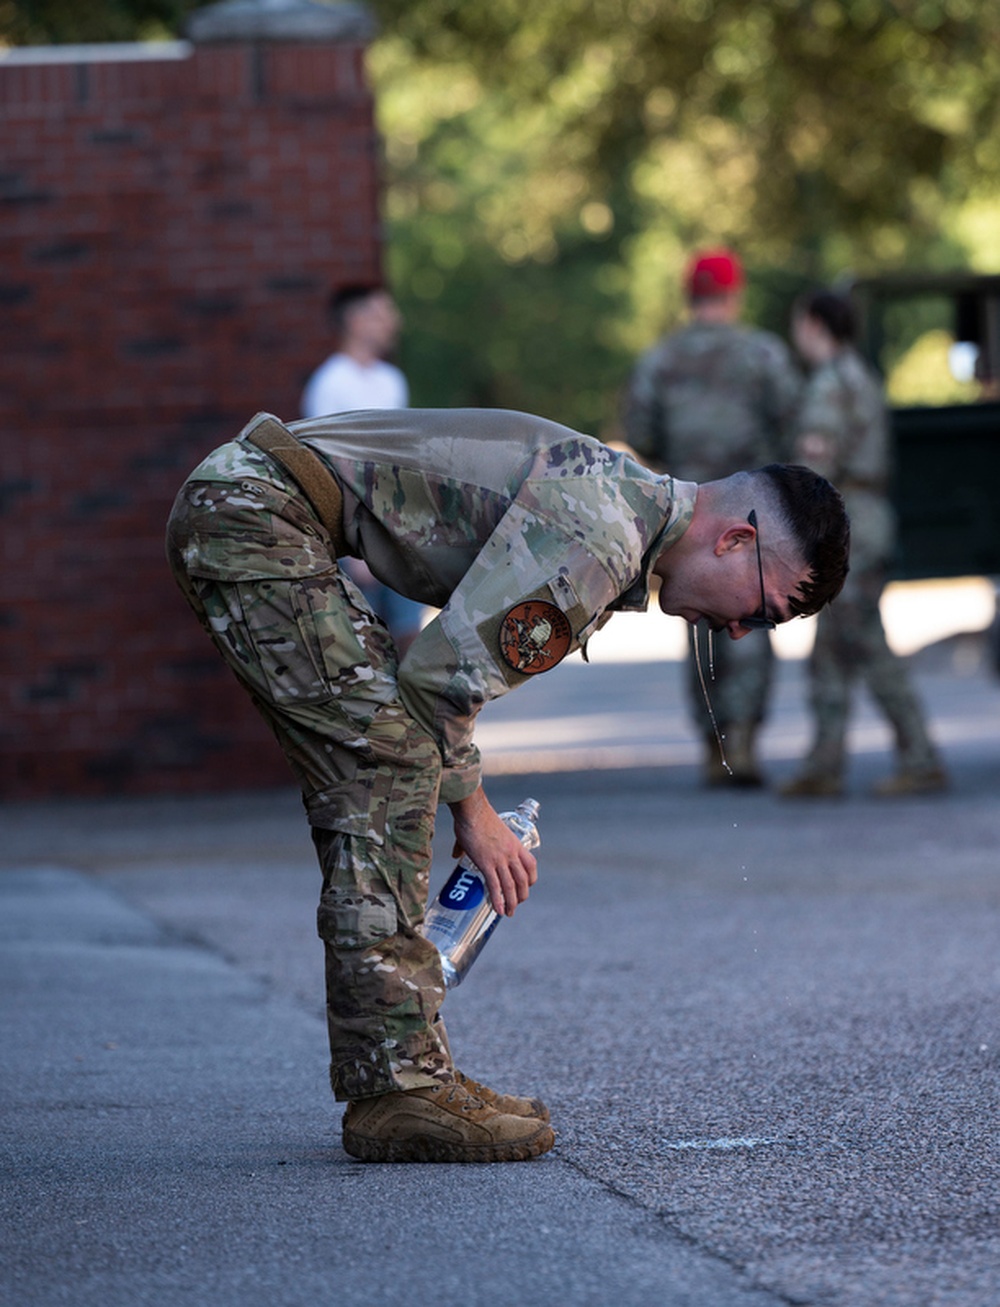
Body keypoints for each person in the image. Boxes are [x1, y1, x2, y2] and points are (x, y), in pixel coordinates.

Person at [166, 406, 849, 1163]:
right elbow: (437, 681)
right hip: (255, 514)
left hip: (256, 505)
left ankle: (404, 1072)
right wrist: (478, 814)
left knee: (382, 762)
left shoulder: (624, 509)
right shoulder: (603, 537)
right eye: (760, 608)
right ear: (736, 539)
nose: (742, 631)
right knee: (390, 761)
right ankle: (399, 1089)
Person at [622, 249, 803, 788]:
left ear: (689, 295)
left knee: (698, 617)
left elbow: (641, 431)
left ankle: (711, 745)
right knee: (751, 614)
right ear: (735, 294)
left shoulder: (661, 359)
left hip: (688, 508)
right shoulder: (763, 354)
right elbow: (793, 421)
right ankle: (743, 741)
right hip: (754, 506)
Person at [779, 289, 948, 799]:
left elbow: (815, 469)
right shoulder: (860, 375)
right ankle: (823, 765)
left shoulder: (831, 383)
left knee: (864, 645)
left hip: (847, 524)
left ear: (813, 324)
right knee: (833, 648)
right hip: (864, 520)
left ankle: (918, 757)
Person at [301, 282, 425, 655]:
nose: (393, 322)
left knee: (411, 637)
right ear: (356, 321)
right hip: (357, 535)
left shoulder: (391, 381)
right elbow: (330, 471)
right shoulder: (330, 384)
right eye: (381, 313)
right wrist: (355, 550)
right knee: (368, 646)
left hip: (396, 527)